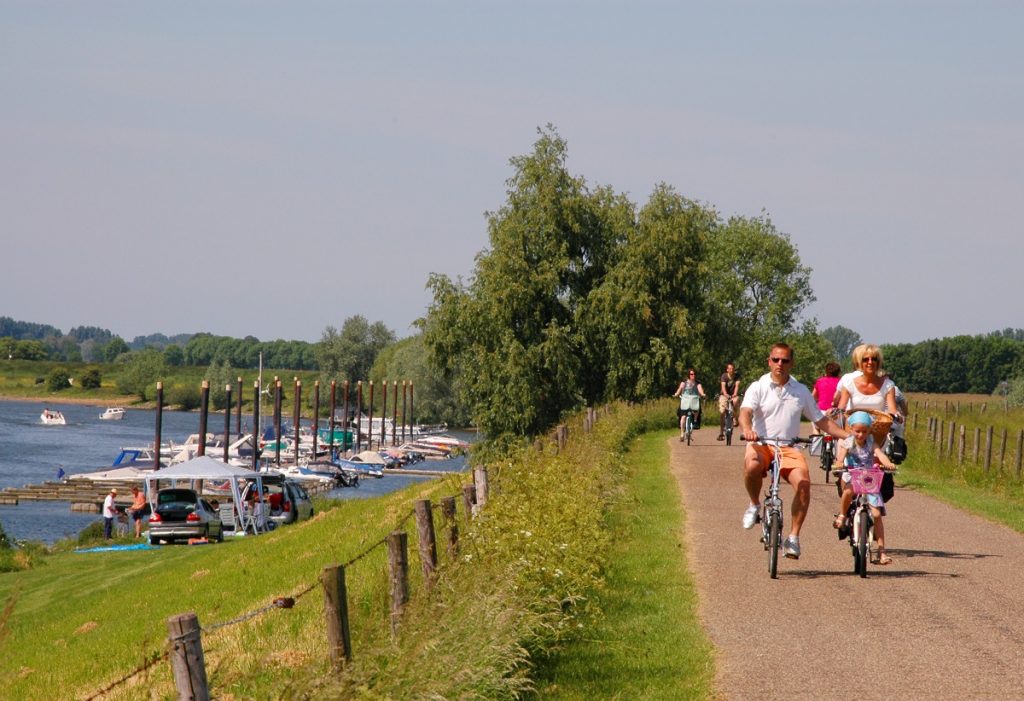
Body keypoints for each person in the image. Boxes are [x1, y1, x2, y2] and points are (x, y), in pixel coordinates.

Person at [739, 343, 848, 559]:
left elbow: (821, 420)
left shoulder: (801, 391)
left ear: (791, 363)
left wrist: (847, 436)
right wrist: (748, 429)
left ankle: (793, 537)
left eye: (785, 360)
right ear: (769, 361)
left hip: (788, 447)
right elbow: (745, 412)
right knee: (752, 465)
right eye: (776, 359)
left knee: (804, 485)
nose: (780, 364)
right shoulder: (758, 387)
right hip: (762, 444)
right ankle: (754, 504)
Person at [833, 411, 895, 565]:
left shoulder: (871, 442)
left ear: (869, 431)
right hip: (852, 475)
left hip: (868, 478)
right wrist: (839, 462)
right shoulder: (848, 442)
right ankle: (842, 515)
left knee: (877, 514)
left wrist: (887, 463)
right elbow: (841, 455)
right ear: (851, 429)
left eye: (864, 431)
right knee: (848, 491)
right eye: (857, 431)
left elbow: (879, 454)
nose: (861, 435)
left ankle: (881, 552)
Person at [834, 344, 901, 446]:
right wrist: (834, 413)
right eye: (865, 359)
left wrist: (897, 415)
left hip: (877, 432)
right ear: (860, 362)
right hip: (854, 431)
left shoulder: (888, 385)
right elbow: (841, 408)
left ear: (878, 362)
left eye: (874, 359)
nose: (870, 362)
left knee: (888, 450)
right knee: (841, 448)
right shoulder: (849, 383)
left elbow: (892, 410)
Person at [673, 369, 706, 440]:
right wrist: (676, 394)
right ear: (689, 375)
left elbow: (700, 390)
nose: (693, 375)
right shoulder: (684, 382)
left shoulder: (698, 383)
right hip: (685, 401)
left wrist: (703, 394)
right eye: (691, 374)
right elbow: (679, 389)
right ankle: (682, 434)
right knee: (683, 417)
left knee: (697, 409)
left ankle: (695, 421)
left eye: (694, 374)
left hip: (694, 401)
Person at [717, 362, 741, 441]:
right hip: (724, 395)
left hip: (733, 395)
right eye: (730, 368)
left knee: (736, 401)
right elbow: (723, 386)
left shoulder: (737, 376)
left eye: (732, 368)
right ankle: (721, 433)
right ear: (727, 370)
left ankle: (735, 418)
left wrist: (735, 394)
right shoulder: (724, 376)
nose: (731, 370)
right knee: (722, 411)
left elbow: (737, 386)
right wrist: (725, 394)